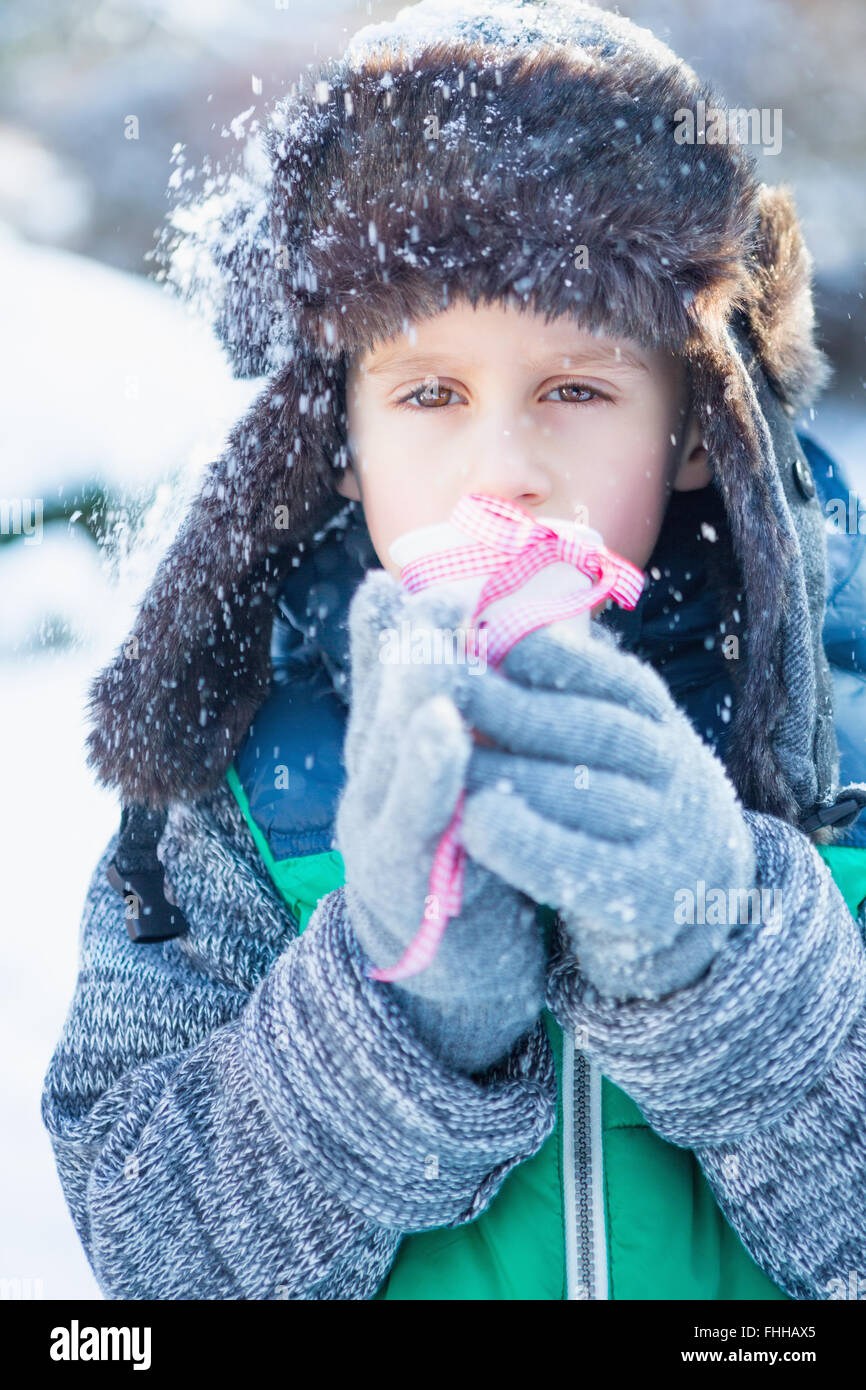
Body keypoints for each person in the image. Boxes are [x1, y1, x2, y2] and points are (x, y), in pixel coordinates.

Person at [42, 0, 866, 1300]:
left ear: (696, 429)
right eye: (429, 394)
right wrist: (394, 1015)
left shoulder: (850, 738)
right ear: (339, 438)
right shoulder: (238, 773)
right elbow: (153, 1255)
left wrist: (724, 956)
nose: (502, 472)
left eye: (576, 390)